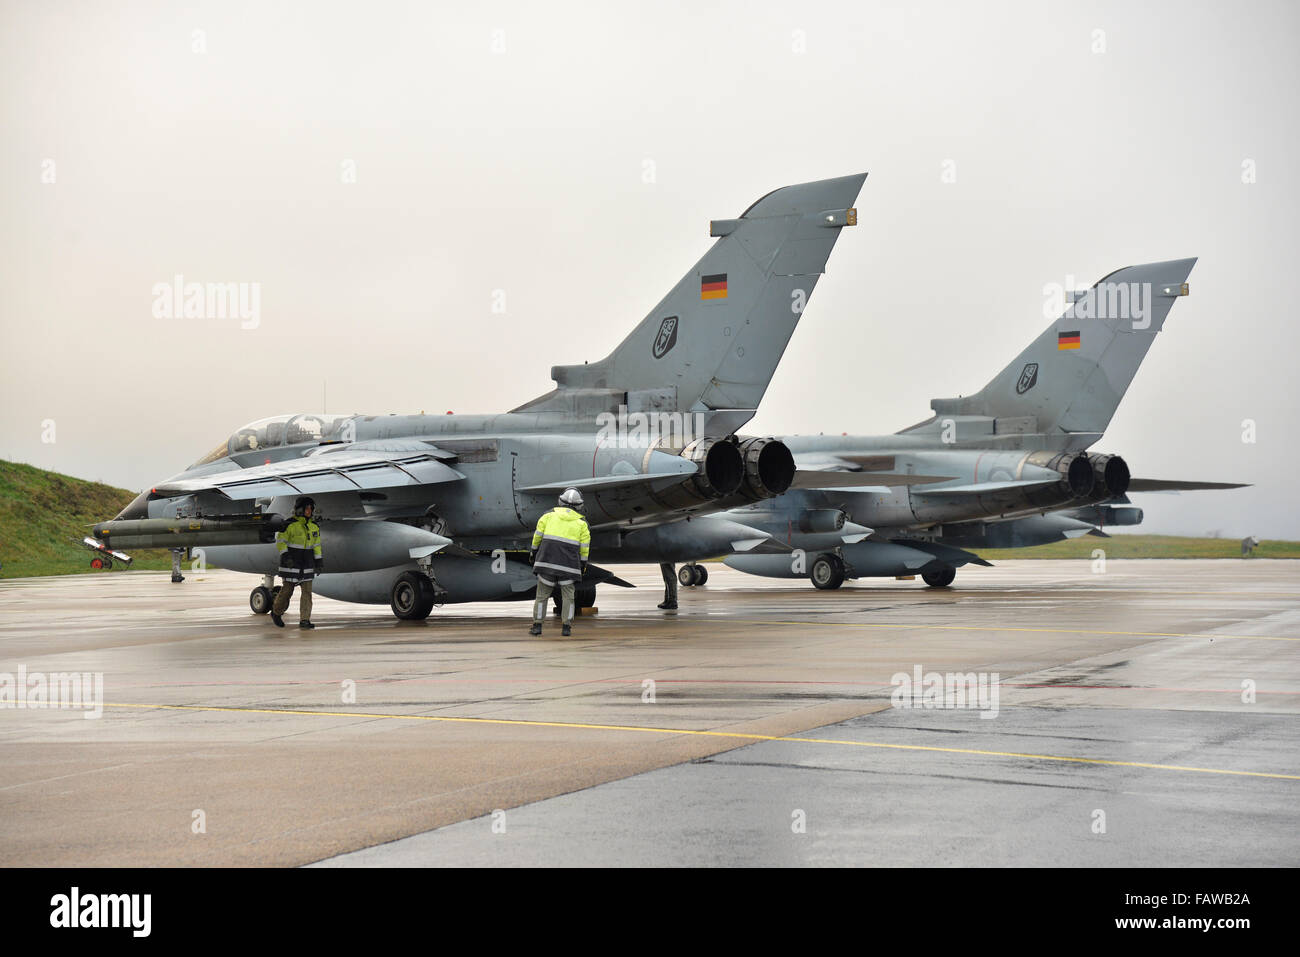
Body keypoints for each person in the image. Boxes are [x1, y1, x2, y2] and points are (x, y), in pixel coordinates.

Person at [529, 488, 590, 637]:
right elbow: (584, 548)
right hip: (569, 566)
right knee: (568, 597)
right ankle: (566, 627)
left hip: (547, 563)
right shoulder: (582, 524)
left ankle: (537, 626)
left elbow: (537, 537)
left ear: (560, 501)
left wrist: (533, 554)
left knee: (542, 595)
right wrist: (583, 565)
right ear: (579, 505)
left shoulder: (547, 516)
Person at [271, 496, 323, 629]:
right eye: (307, 508)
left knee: (307, 593)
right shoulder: (289, 525)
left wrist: (319, 561)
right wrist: (286, 555)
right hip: (291, 564)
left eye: (311, 509)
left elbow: (316, 545)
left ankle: (305, 620)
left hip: (307, 564)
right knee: (287, 591)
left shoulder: (314, 526)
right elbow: (281, 541)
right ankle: (276, 612)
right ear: (300, 509)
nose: (309, 511)